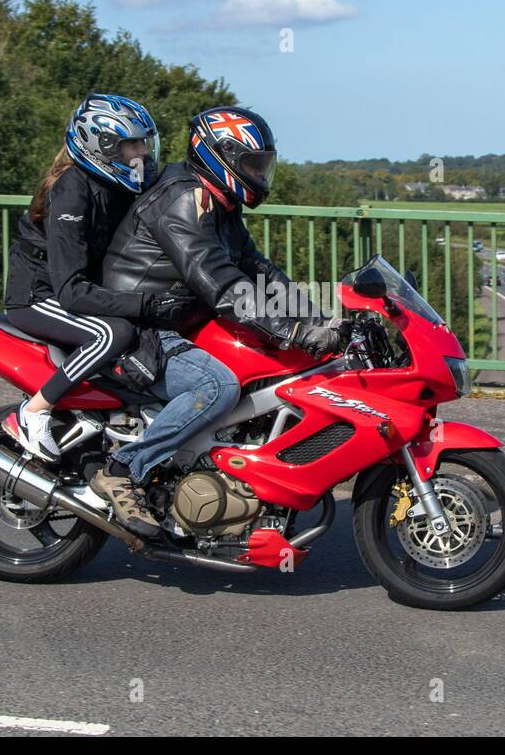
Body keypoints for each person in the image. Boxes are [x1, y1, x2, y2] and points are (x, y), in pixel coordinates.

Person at [93, 106, 346, 535]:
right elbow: (223, 286)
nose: (258, 173)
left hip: (179, 322)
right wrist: (295, 332)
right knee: (218, 385)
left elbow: (259, 272)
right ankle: (124, 469)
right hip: (141, 328)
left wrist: (323, 319)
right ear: (218, 155)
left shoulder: (220, 204)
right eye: (251, 163)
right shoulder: (182, 201)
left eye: (261, 164)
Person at [1, 93, 193, 462]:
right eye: (131, 145)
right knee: (114, 333)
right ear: (101, 146)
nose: (141, 153)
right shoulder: (72, 192)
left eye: (143, 142)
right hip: (40, 297)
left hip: (76, 289)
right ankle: (35, 411)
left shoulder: (120, 185)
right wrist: (146, 302)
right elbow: (71, 292)